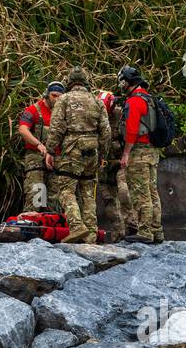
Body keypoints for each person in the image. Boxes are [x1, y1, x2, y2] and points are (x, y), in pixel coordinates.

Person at [43, 66, 110, 244]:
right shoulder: (97, 102)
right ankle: (91, 234)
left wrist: (50, 150)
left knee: (65, 190)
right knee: (88, 192)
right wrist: (103, 153)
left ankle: (76, 226)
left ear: (69, 82)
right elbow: (106, 131)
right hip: (92, 151)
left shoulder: (63, 100)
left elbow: (56, 128)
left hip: (72, 150)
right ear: (86, 83)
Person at [116, 65, 163, 243]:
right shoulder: (149, 99)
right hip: (153, 152)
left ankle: (144, 232)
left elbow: (132, 131)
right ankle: (157, 230)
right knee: (152, 192)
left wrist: (126, 154)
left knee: (140, 194)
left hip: (139, 153)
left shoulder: (134, 101)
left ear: (127, 82)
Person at [15, 81, 64, 211]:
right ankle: (31, 222)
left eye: (60, 96)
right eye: (54, 95)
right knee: (37, 193)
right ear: (47, 95)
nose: (57, 99)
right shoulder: (33, 110)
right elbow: (23, 130)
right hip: (36, 157)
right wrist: (39, 144)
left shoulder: (63, 114)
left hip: (55, 159)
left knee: (56, 198)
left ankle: (52, 224)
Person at [95, 89, 131, 240]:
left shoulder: (121, 115)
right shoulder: (94, 114)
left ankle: (133, 226)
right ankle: (118, 233)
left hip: (121, 160)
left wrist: (126, 155)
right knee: (108, 197)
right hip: (104, 164)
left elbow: (131, 135)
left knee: (124, 191)